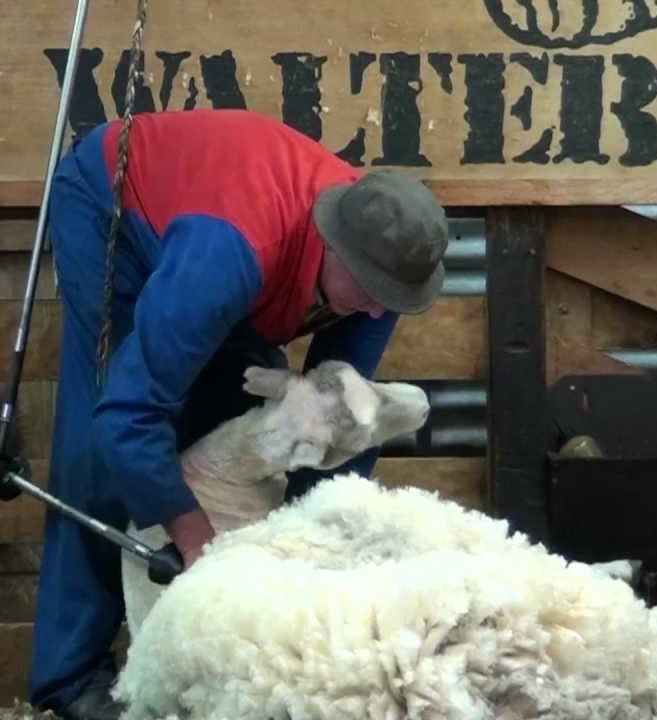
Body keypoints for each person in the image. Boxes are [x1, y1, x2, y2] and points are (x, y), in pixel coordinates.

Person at [29, 109, 449, 719]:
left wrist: (317, 556)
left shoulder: (374, 277)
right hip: (115, 203)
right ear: (335, 248)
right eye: (371, 294)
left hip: (241, 237)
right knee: (105, 428)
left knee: (250, 417)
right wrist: (202, 550)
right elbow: (127, 418)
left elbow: (340, 429)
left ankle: (224, 660)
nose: (379, 316)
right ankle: (69, 680)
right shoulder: (231, 254)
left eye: (394, 302)